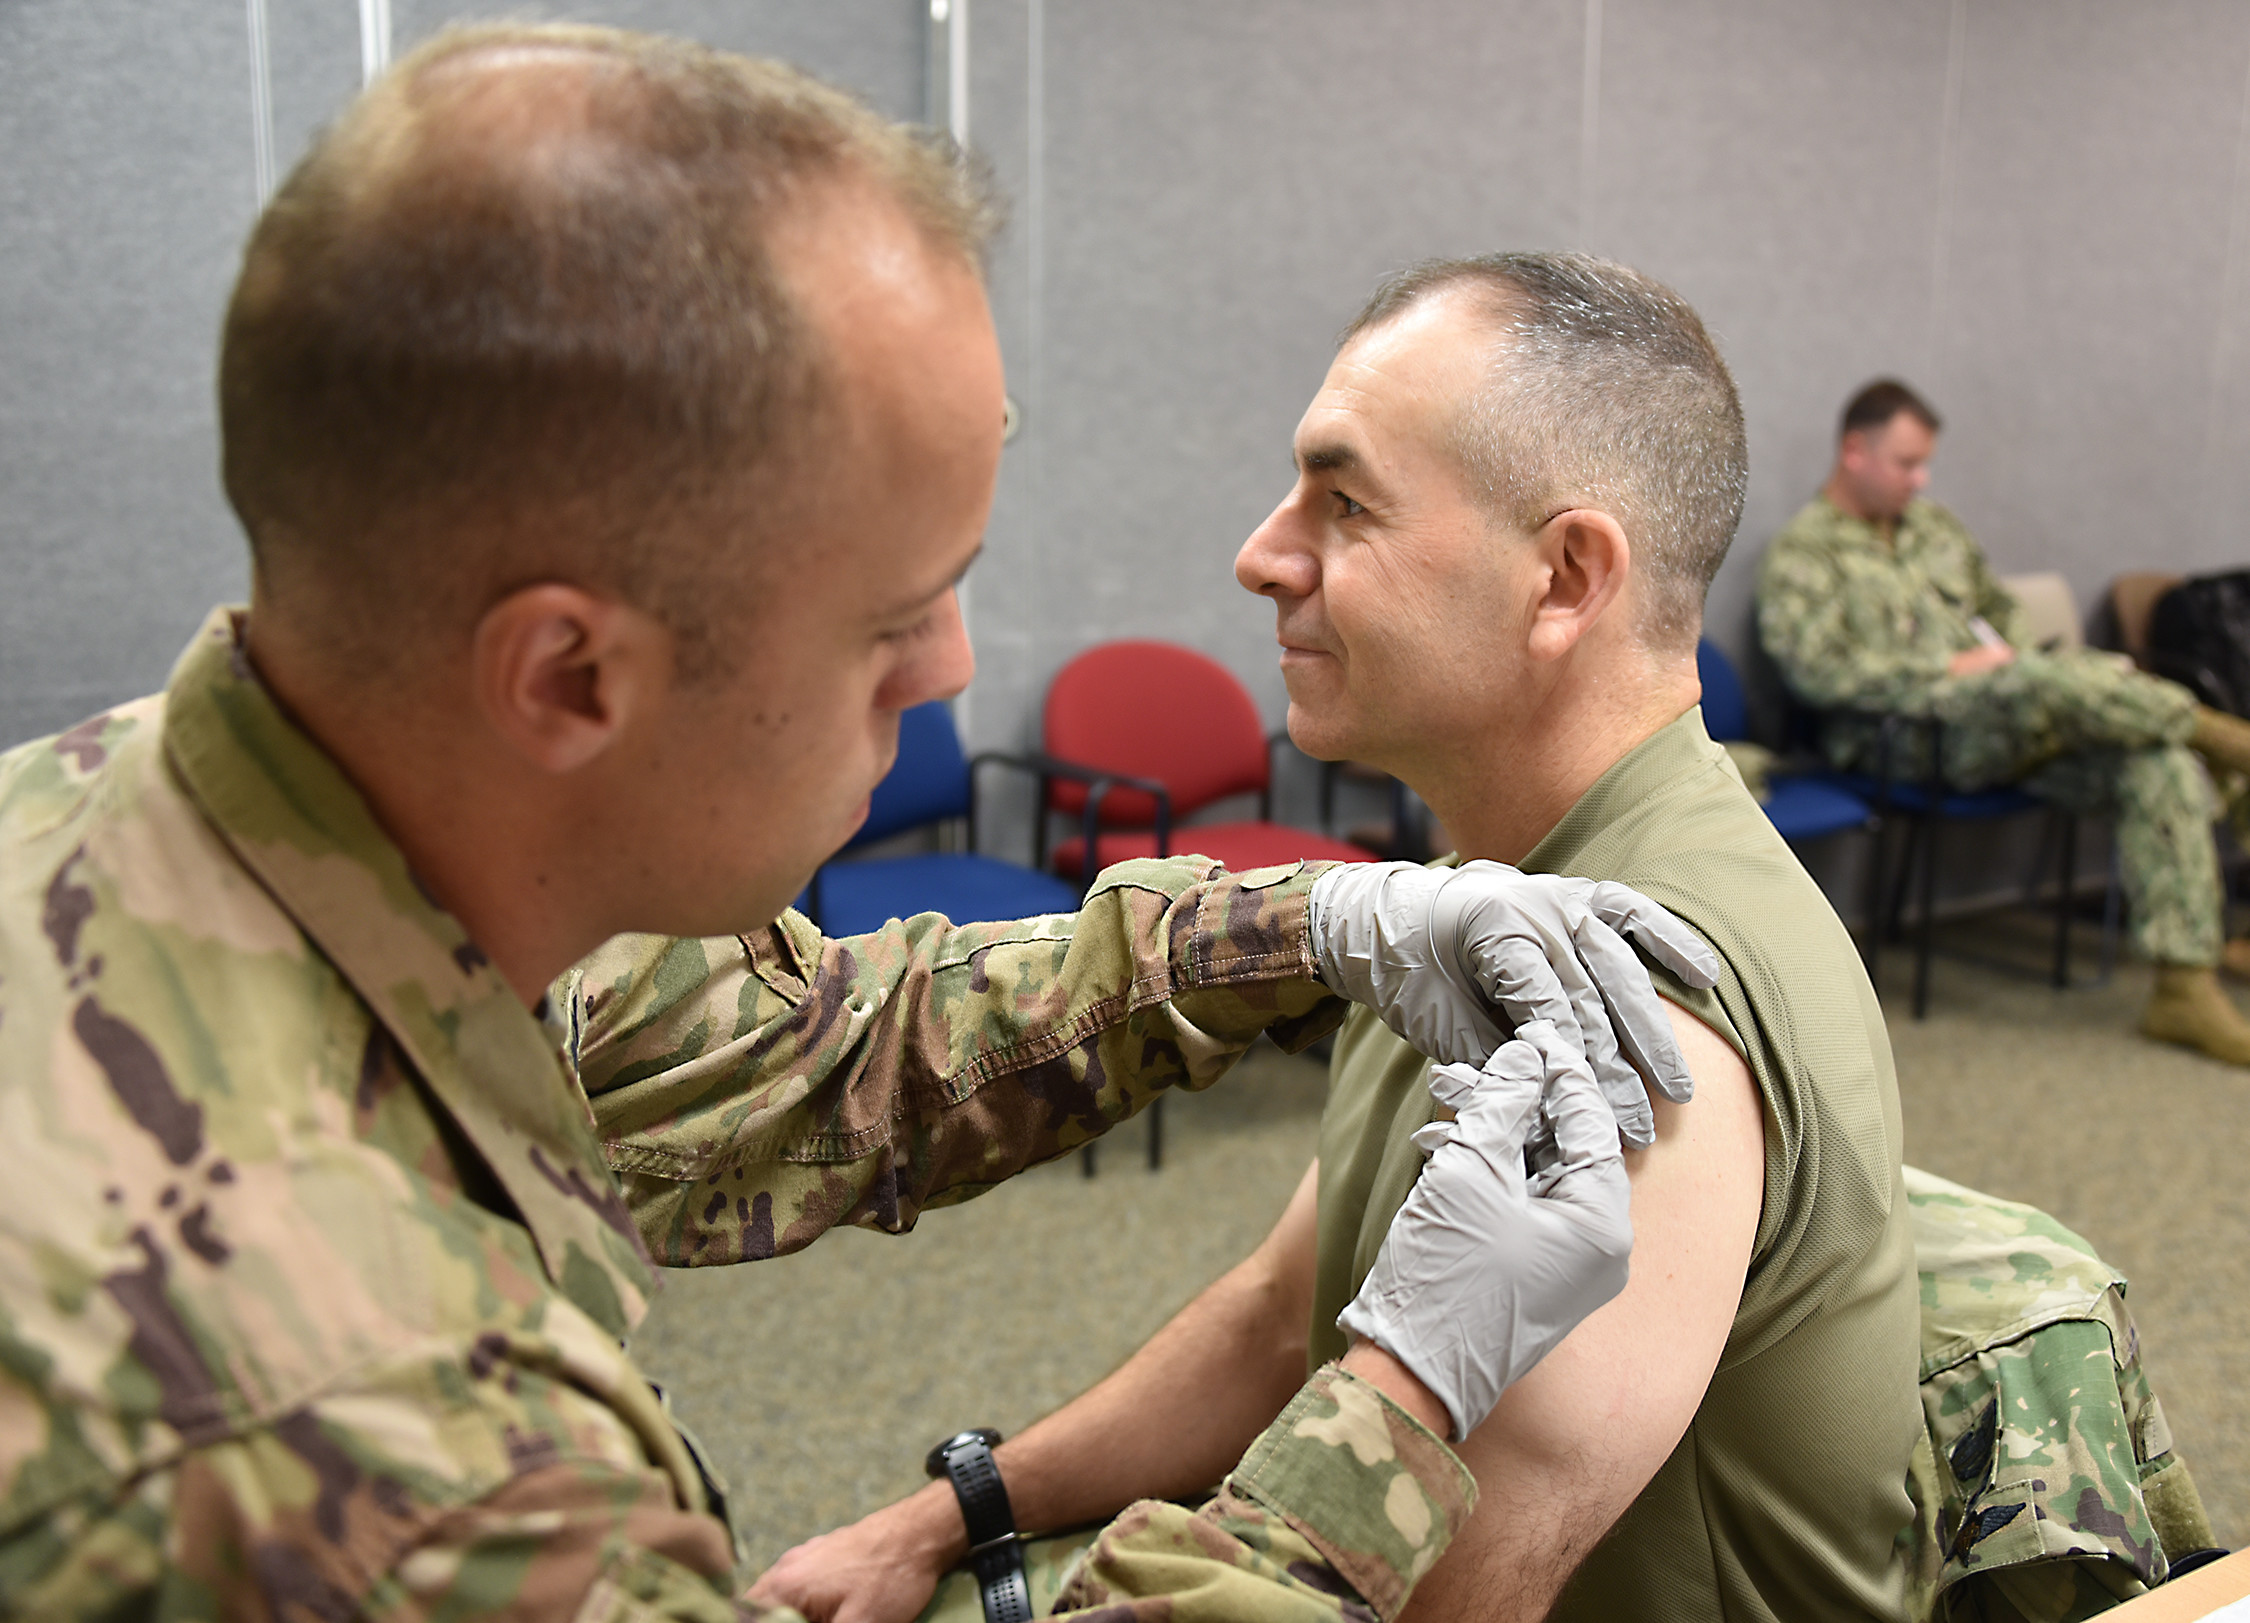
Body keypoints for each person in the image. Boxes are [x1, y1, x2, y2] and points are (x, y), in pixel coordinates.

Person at [0, 27, 1729, 1621]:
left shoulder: (183, 825)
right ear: (571, 679)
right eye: (896, 614)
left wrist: (1317, 926)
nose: (955, 665)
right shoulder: (382, 1452)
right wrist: (1404, 1398)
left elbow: (815, 1049)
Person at [755, 254, 1926, 1623]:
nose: (1261, 554)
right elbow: (1274, 1312)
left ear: (1561, 579)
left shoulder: (1640, 1004)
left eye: (1344, 500)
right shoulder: (1478, 896)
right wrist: (947, 1513)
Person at [1758, 379, 2250, 1065]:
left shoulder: (1936, 530)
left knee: (2152, 761)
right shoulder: (1803, 555)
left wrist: (2003, 660)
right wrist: (1950, 669)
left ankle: (2183, 987)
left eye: (1924, 463)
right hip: (1903, 737)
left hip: (2012, 719)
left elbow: (2005, 617)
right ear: (1854, 451)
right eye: (1906, 463)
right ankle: (2217, 734)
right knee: (2039, 678)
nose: (1919, 479)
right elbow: (1817, 673)